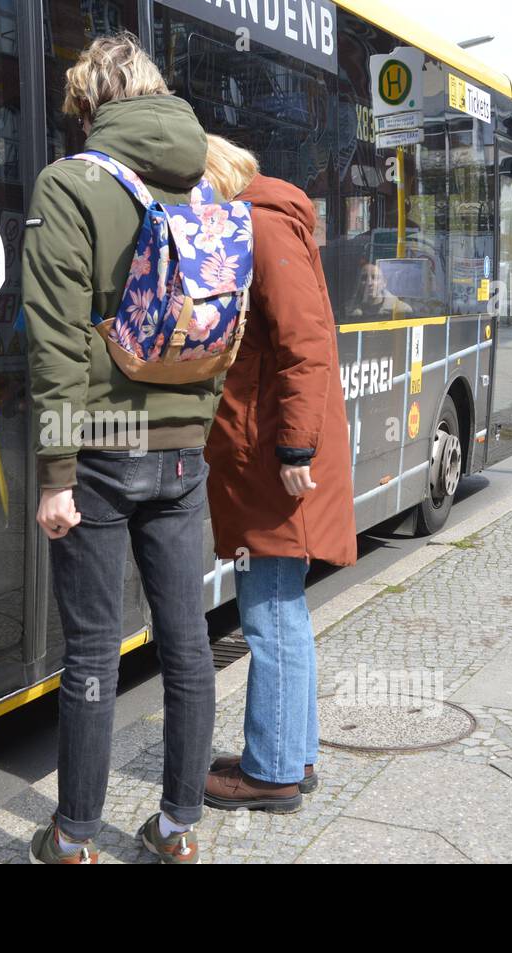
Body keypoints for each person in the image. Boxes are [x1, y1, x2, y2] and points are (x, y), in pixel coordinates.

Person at [21, 32, 221, 863]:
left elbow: (55, 344)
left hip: (101, 455)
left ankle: (73, 838)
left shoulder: (70, 184)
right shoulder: (205, 180)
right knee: (188, 644)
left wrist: (56, 474)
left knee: (94, 653)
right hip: (182, 455)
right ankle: (178, 831)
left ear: (88, 103)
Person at [200, 135, 357, 814]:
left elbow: (305, 344)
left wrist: (295, 450)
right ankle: (294, 754)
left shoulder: (261, 227)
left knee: (268, 614)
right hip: (267, 451)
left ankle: (271, 774)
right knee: (281, 610)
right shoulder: (264, 221)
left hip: (272, 458)